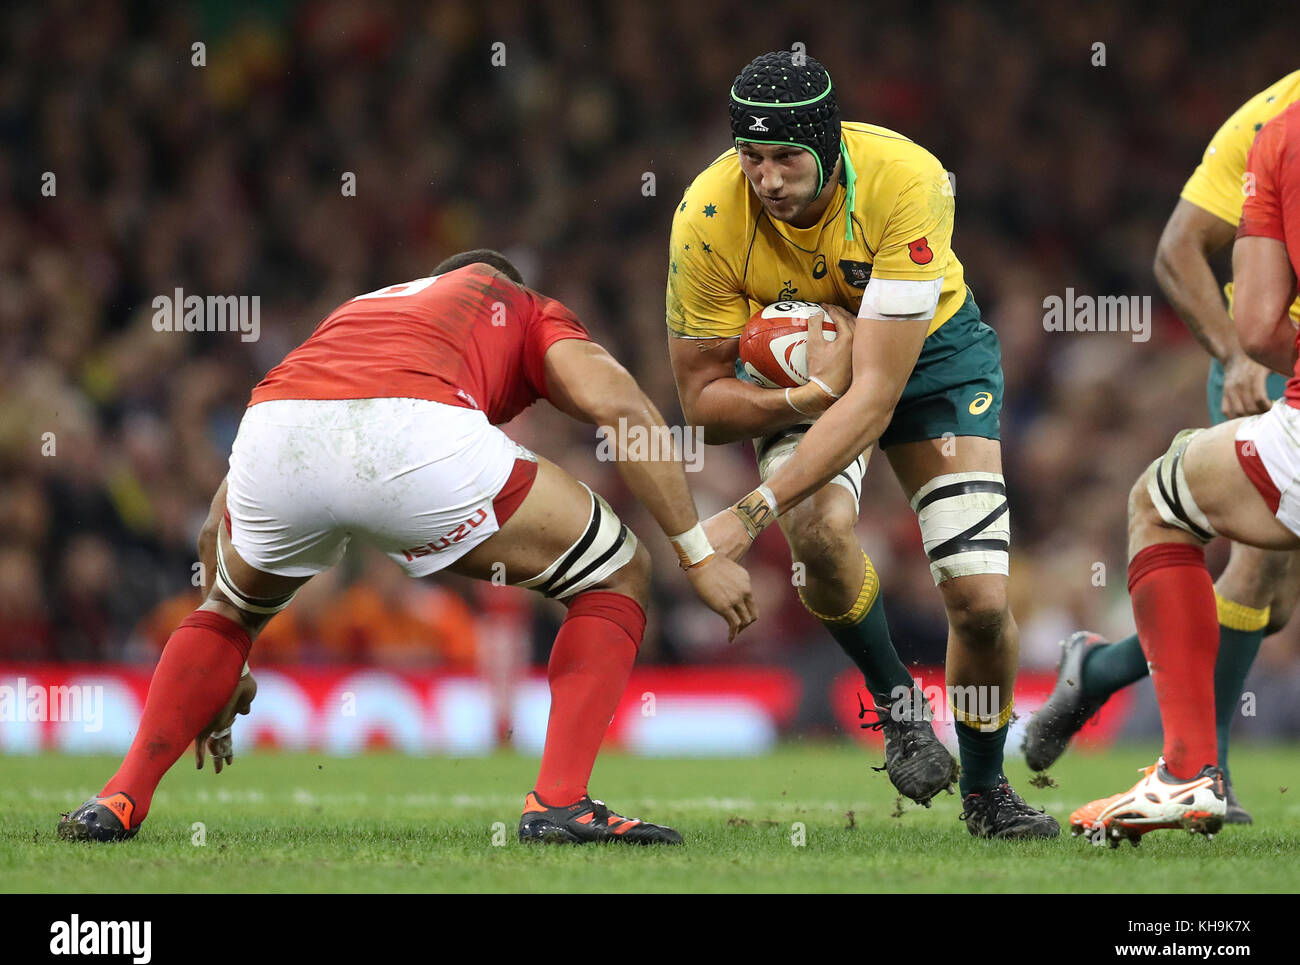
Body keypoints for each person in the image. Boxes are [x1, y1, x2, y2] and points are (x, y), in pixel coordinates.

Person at [59, 249, 755, 846]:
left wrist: (232, 651)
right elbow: (624, 410)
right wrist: (696, 555)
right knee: (619, 570)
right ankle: (559, 802)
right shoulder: (517, 302)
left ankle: (118, 797)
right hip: (414, 438)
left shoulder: (365, 309)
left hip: (273, 434)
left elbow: (219, 521)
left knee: (229, 610)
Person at [666, 50, 1056, 837]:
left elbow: (876, 396)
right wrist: (804, 393)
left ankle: (987, 793)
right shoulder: (705, 218)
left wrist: (746, 515)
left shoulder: (908, 180)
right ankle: (898, 703)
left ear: (829, 147)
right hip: (804, 373)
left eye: (786, 159)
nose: (767, 180)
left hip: (932, 357)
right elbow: (701, 402)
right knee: (817, 535)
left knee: (980, 603)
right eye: (752, 157)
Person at [1024, 70, 1300, 826]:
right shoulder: (1269, 117)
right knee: (1256, 567)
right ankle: (1207, 771)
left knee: (1272, 608)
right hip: (1268, 370)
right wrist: (1237, 356)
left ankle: (1101, 668)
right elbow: (1179, 247)